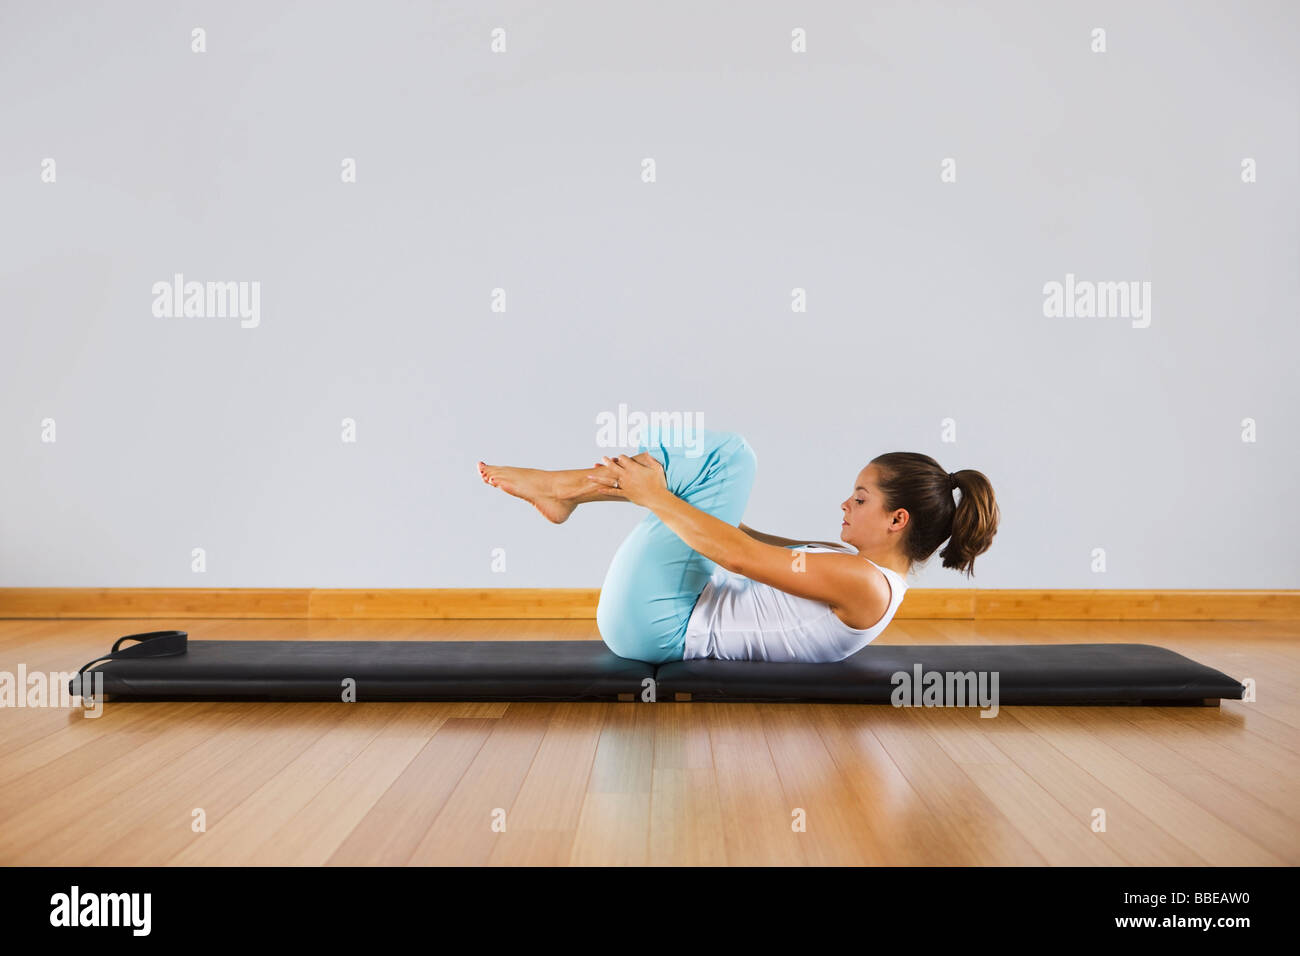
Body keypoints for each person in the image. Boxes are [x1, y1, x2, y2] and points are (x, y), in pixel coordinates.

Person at [478, 428, 998, 664]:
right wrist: (675, 496)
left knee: (732, 456)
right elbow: (746, 537)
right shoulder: (855, 567)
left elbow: (737, 556)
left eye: (860, 499)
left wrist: (658, 497)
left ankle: (560, 489)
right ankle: (563, 493)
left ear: (896, 520)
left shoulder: (866, 585)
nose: (845, 504)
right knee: (712, 470)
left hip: (660, 627)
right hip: (664, 614)